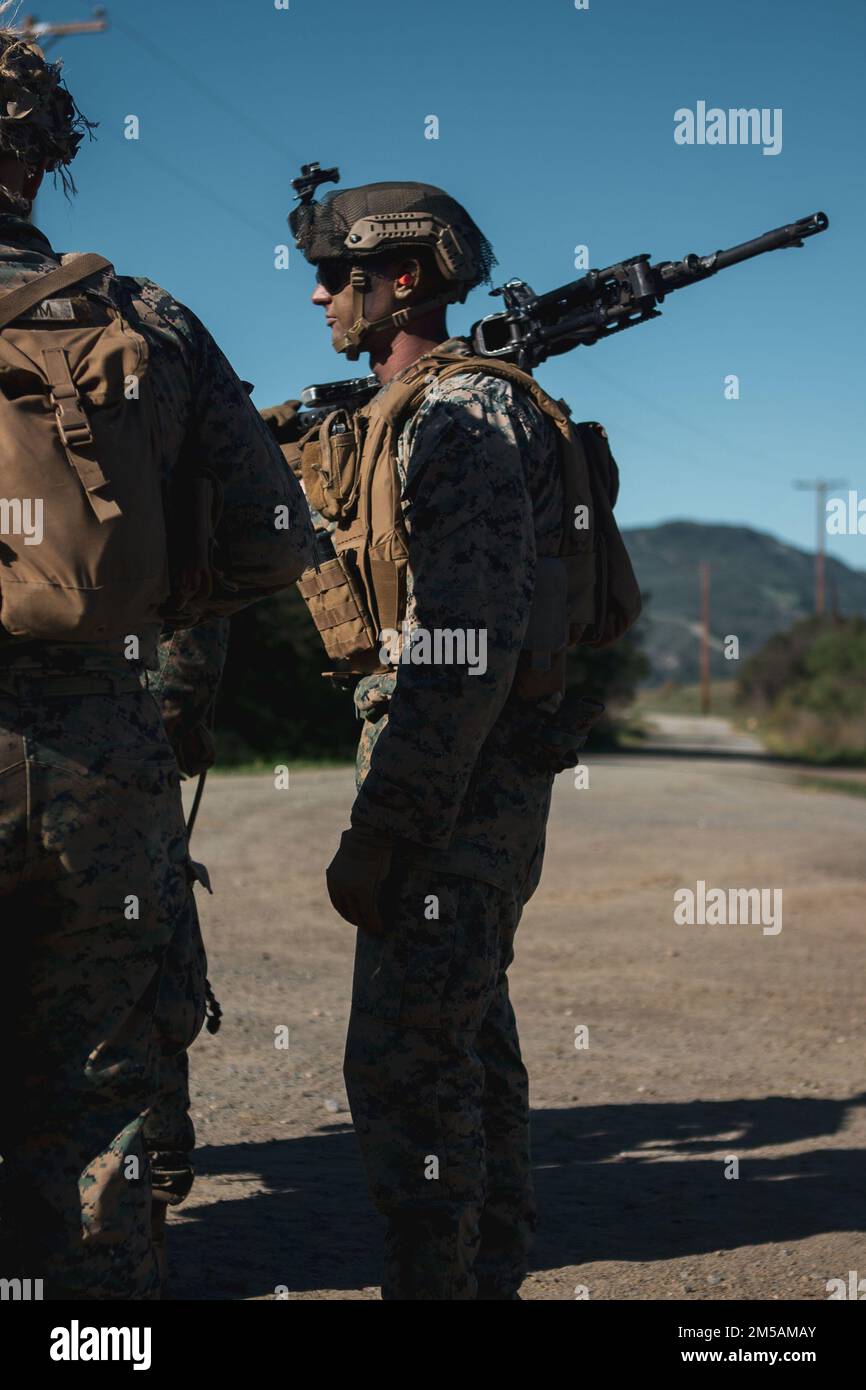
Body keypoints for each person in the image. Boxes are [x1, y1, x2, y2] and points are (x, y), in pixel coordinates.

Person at [0, 30, 313, 1300]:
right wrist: (136, 606)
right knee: (101, 1103)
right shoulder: (150, 320)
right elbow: (273, 537)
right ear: (50, 151)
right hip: (106, 770)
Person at [286, 174, 597, 1299]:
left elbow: (464, 645)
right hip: (466, 783)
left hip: (456, 787)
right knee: (467, 1041)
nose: (319, 295)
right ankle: (485, 1271)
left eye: (339, 276)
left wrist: (390, 823)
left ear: (401, 279)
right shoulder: (412, 411)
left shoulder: (460, 413)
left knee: (407, 1063)